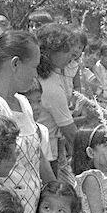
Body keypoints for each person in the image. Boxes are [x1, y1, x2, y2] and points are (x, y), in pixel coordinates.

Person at [0, 30, 56, 213]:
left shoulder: (24, 103)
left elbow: (38, 157)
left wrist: (58, 195)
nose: (36, 74)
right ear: (16, 64)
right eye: (34, 67)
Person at [36, 23, 77, 177]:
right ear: (50, 52)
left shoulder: (52, 77)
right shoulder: (49, 85)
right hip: (47, 156)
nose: (71, 54)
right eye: (65, 49)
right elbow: (70, 132)